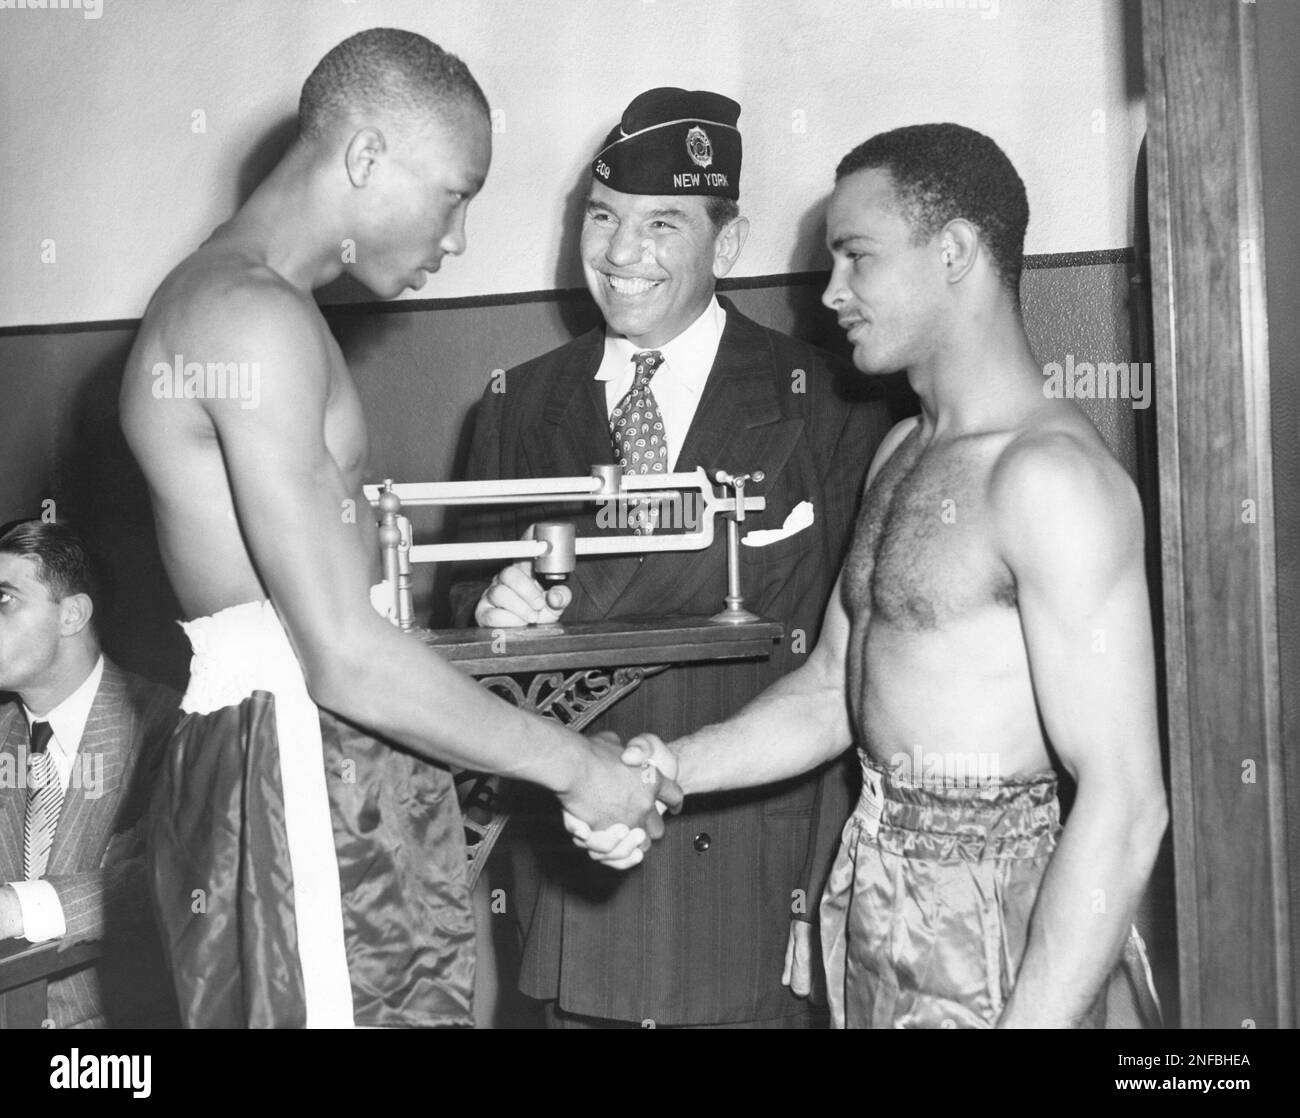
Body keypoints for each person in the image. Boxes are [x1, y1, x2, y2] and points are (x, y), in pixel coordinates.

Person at [118, 28, 677, 1030]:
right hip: (300, 755)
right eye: (455, 194)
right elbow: (341, 655)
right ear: (366, 158)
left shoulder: (251, 306)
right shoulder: (246, 319)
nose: (456, 238)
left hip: (326, 763)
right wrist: (574, 763)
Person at [571, 123, 1169, 1029]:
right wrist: (669, 766)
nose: (831, 292)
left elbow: (1127, 805)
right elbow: (829, 696)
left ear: (956, 252)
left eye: (857, 257)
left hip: (1010, 940)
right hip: (879, 911)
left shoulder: (1048, 479)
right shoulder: (903, 450)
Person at [455, 87, 894, 1028]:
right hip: (577, 871)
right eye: (603, 218)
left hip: (750, 866)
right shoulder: (518, 404)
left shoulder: (829, 400)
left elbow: (846, 677)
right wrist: (490, 607)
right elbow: (460, 624)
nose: (621, 254)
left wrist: (819, 895)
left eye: (663, 225)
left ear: (725, 247)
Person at [0, 520, 179, 1028]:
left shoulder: (169, 726)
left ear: (72, 614)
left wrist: (17, 907)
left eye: (4, 598)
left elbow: (173, 880)